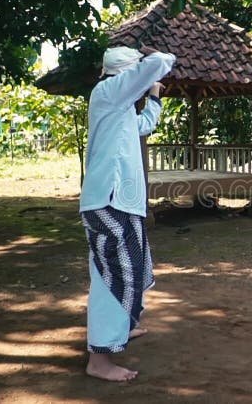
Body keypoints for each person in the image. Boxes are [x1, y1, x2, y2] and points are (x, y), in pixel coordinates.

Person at [80, 45, 175, 381]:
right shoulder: (107, 92)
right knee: (116, 276)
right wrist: (154, 56)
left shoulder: (117, 109)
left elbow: (145, 124)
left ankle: (119, 327)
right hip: (108, 202)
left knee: (114, 273)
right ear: (123, 74)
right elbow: (160, 64)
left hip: (118, 203)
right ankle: (99, 361)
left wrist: (155, 97)